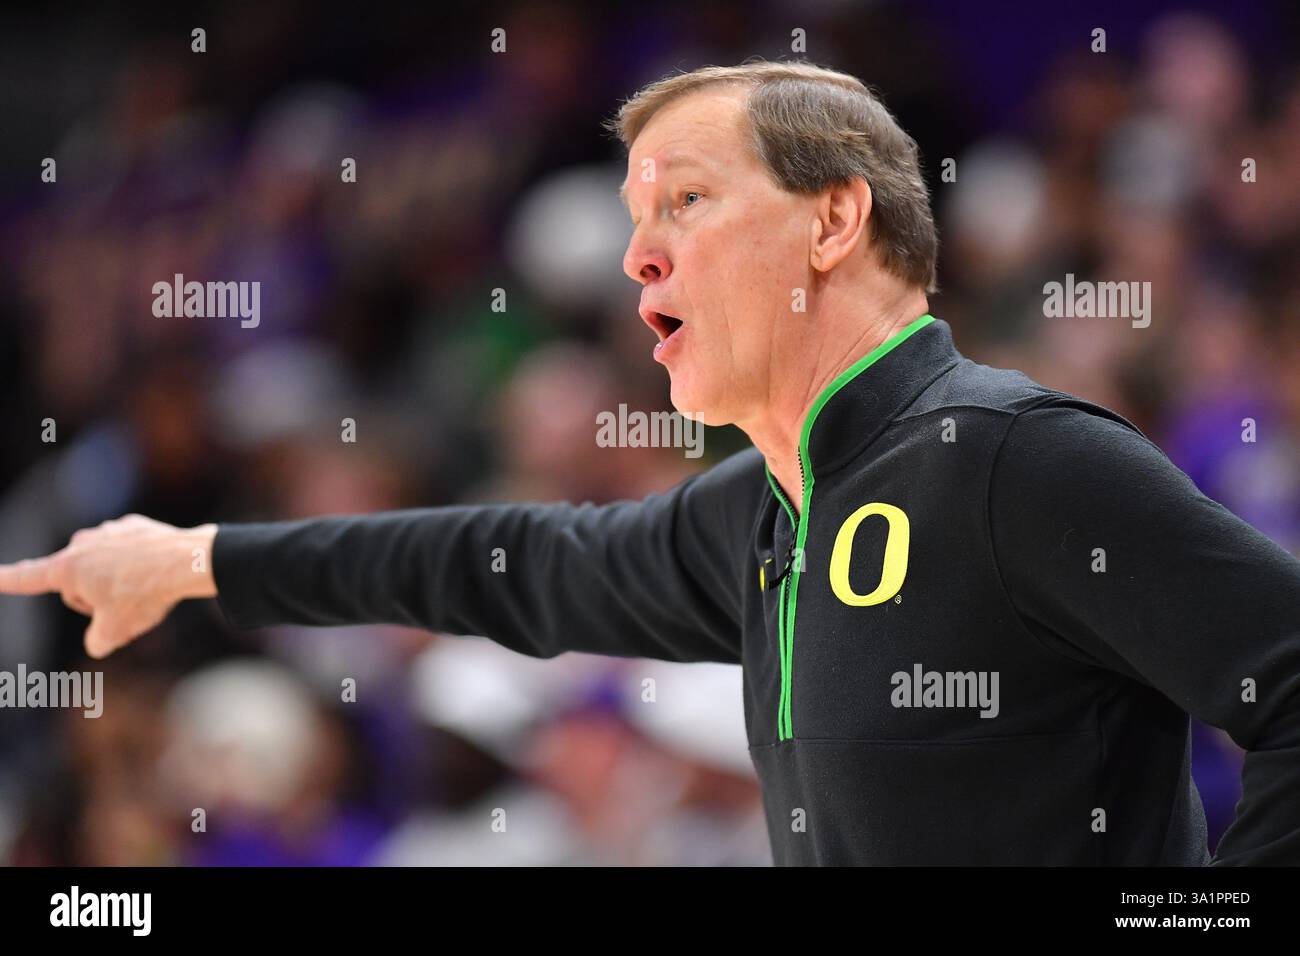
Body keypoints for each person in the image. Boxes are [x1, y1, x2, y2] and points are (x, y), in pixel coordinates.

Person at [3, 61, 1299, 865]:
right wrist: (200, 558)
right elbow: (500, 563)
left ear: (836, 220)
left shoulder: (1022, 464)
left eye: (685, 202)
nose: (639, 257)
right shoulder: (760, 516)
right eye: (634, 220)